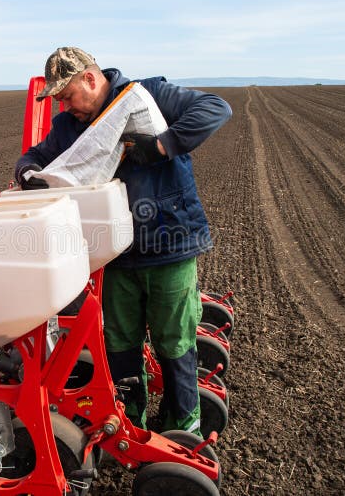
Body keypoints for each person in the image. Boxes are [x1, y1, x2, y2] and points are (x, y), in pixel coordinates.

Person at [15, 47, 232, 434]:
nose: (65, 106)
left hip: (168, 245)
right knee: (120, 344)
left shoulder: (149, 95)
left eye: (67, 96)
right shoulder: (68, 126)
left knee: (175, 342)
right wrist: (28, 172)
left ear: (90, 79)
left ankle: (185, 429)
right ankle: (131, 422)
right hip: (114, 254)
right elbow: (35, 155)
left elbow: (215, 108)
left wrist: (162, 145)